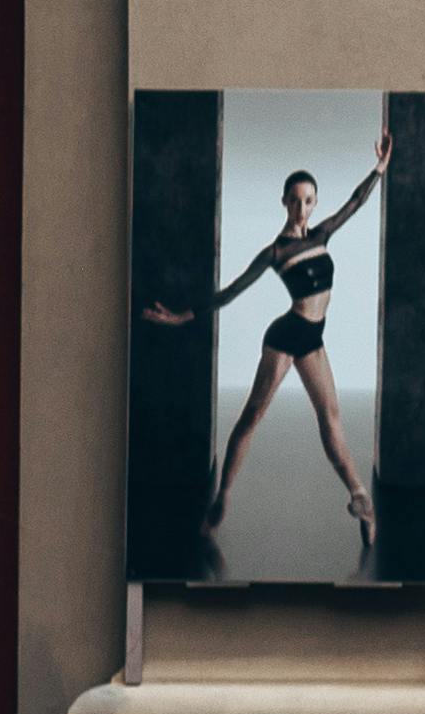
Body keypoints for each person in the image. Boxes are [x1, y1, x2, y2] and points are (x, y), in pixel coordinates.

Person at [148, 168, 369, 546]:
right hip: (285, 337)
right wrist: (181, 316)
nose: (302, 208)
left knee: (330, 420)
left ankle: (361, 497)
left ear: (315, 204)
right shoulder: (276, 252)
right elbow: (230, 292)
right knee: (252, 416)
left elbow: (356, 201)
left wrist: (380, 168)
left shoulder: (322, 235)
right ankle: (223, 496)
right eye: (295, 200)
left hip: (313, 339)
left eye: (309, 201)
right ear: (284, 202)